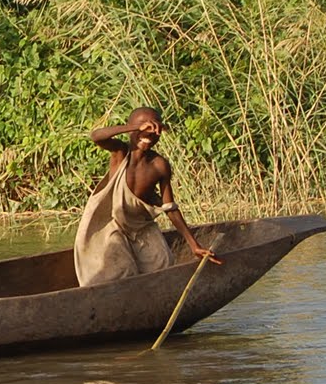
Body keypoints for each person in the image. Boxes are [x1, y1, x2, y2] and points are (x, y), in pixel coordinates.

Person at [73, 107, 221, 287]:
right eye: (143, 130)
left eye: (154, 132)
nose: (148, 136)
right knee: (121, 272)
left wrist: (193, 244)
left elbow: (170, 208)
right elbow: (96, 136)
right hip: (111, 225)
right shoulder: (120, 153)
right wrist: (133, 127)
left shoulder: (159, 165)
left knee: (163, 266)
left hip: (141, 226)